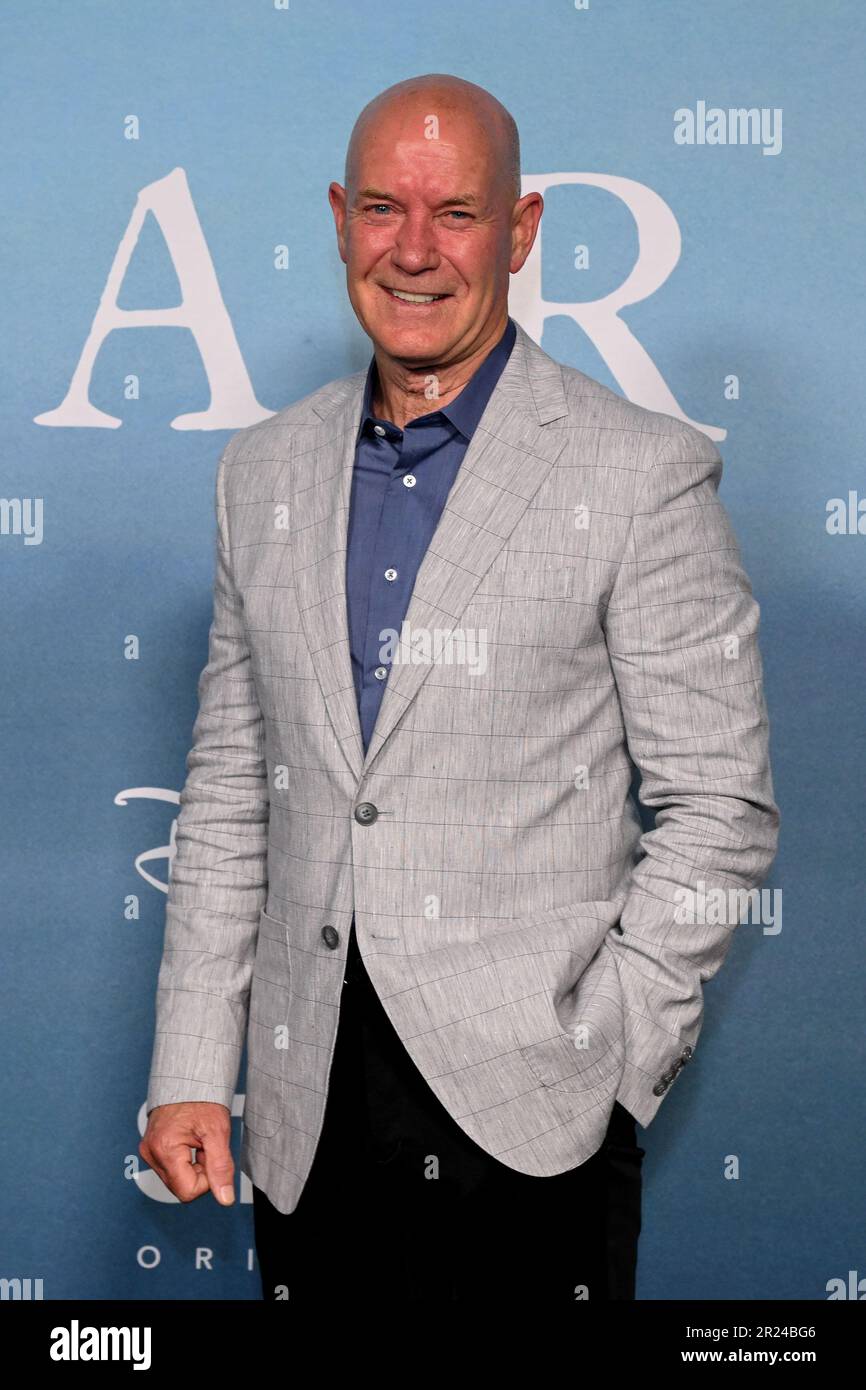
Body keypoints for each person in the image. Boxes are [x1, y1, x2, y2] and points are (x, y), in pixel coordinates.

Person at [140, 73, 779, 1304]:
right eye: (383, 209)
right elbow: (230, 796)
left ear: (522, 231)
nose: (415, 251)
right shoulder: (258, 473)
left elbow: (719, 809)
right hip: (301, 1118)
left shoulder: (639, 474)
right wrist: (187, 1064)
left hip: (531, 1127)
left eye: (458, 214)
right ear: (337, 218)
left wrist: (607, 1051)